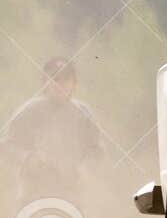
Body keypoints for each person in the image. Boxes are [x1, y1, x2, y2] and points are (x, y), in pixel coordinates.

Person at [2, 58, 101, 204]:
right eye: (55, 79)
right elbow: (6, 146)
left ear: (74, 84)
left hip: (72, 196)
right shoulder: (27, 112)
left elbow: (96, 150)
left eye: (66, 80)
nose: (60, 85)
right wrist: (28, 158)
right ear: (44, 83)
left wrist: (84, 169)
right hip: (33, 195)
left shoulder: (83, 113)